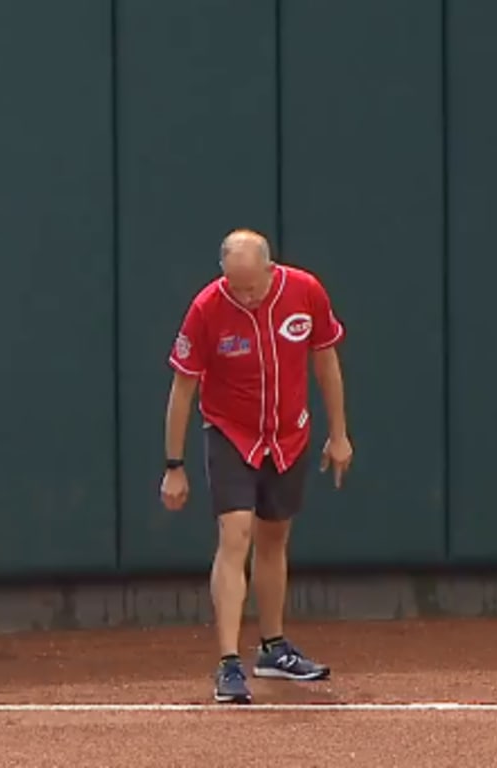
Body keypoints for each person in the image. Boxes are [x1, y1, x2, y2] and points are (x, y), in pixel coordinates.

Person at [160, 229, 354, 704]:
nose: (243, 295)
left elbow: (326, 362)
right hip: (232, 434)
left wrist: (340, 433)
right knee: (235, 535)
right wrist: (174, 465)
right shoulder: (207, 307)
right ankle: (228, 662)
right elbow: (183, 388)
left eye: (252, 286)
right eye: (234, 285)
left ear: (270, 269)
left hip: (289, 435)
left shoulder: (306, 292)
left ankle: (273, 646)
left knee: (274, 537)